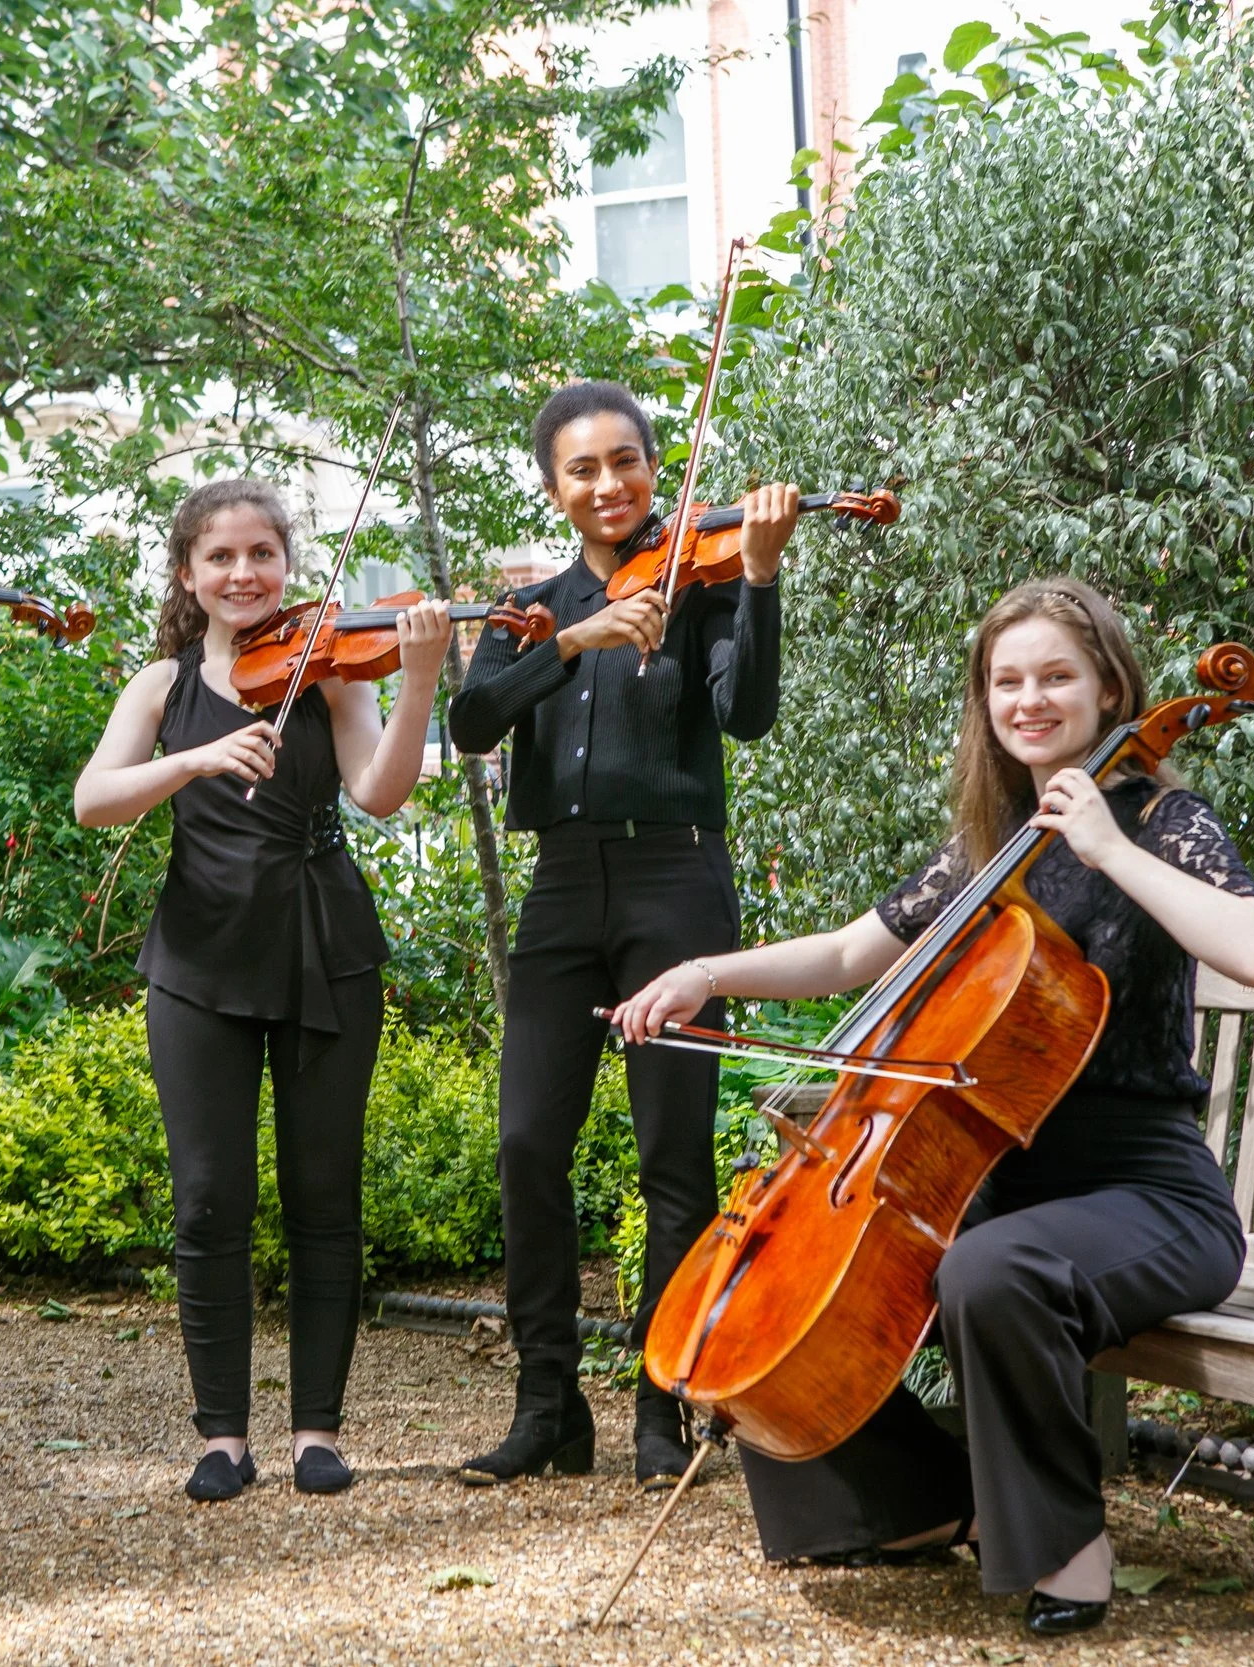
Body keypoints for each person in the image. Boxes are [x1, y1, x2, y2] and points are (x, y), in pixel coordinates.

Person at [609, 576, 1254, 1636]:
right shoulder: (992, 845)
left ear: (1109, 688)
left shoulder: (1162, 819)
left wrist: (1108, 843)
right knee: (789, 1284)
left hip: (1143, 1194)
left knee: (988, 1267)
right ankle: (921, 1504)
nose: (1029, 698)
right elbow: (845, 952)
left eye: (1055, 675)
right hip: (998, 1183)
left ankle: (1069, 1550)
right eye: (1005, 680)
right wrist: (705, 971)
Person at [445, 381, 798, 1492]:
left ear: (655, 464)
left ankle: (661, 1407)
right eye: (582, 469)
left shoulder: (701, 581)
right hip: (561, 886)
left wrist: (759, 575)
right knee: (524, 1146)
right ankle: (547, 1406)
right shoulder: (531, 607)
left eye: (627, 461)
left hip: (675, 879)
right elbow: (470, 721)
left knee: (670, 1156)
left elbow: (746, 715)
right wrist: (575, 638)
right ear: (552, 487)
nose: (609, 485)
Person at [74, 478, 451, 1502]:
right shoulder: (160, 684)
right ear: (189, 576)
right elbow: (92, 799)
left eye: (262, 555)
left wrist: (415, 679)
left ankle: (317, 1430)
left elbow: (378, 793)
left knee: (323, 1193)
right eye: (221, 558)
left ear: (287, 564)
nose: (244, 573)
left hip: (322, 939)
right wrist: (194, 759)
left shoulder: (331, 670)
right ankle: (221, 1436)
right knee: (207, 1198)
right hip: (198, 956)